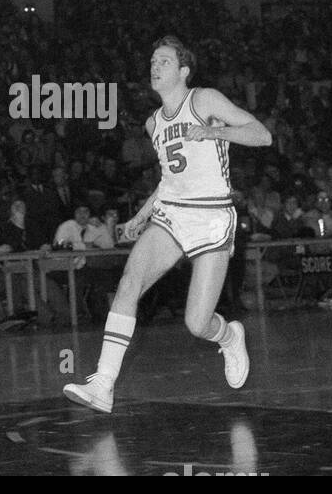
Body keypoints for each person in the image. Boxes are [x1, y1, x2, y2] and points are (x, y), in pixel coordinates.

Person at [64, 36, 270, 414]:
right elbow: (168, 182)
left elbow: (262, 134)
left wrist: (214, 131)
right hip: (172, 213)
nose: (154, 66)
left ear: (183, 71)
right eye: (152, 60)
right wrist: (141, 217)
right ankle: (103, 384)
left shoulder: (204, 100)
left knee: (196, 323)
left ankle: (228, 335)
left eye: (163, 61)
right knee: (129, 281)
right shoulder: (153, 122)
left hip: (210, 216)